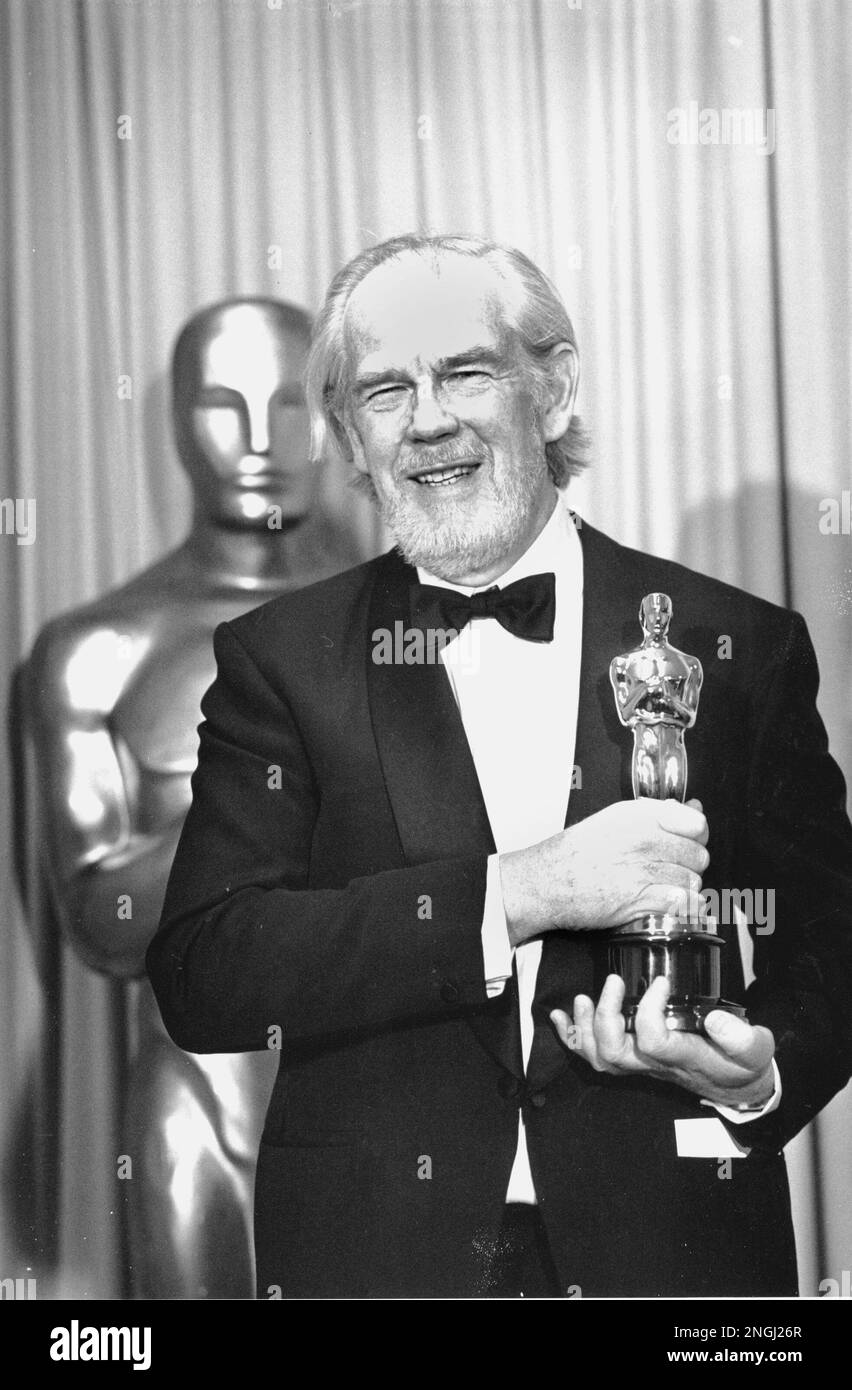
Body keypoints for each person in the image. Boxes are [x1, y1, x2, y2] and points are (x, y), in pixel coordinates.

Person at [147, 233, 852, 1299]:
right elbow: (208, 971)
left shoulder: (730, 644)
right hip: (373, 1261)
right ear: (349, 432)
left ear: (554, 387)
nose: (429, 419)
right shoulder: (281, 662)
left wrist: (765, 1075)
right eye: (385, 389)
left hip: (676, 1259)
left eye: (465, 371)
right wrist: (521, 892)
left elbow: (832, 946)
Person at [22, 298, 361, 1297]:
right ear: (175, 423)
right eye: (223, 406)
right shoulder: (100, 652)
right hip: (197, 1103)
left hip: (386, 1095)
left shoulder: (409, 620)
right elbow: (100, 921)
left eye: (292, 406)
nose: (262, 442)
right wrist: (262, 792)